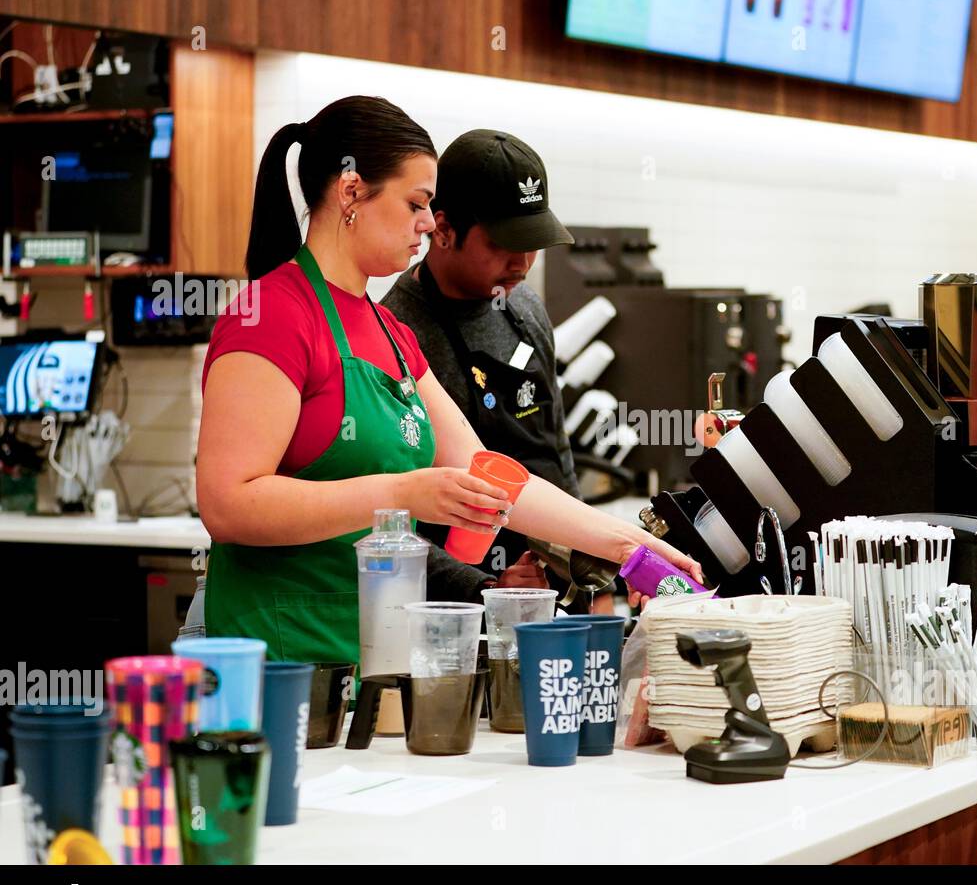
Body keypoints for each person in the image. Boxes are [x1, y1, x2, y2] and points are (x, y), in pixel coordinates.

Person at [196, 96, 698, 664]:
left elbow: (494, 480)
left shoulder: (390, 333)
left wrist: (635, 547)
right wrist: (403, 494)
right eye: (416, 203)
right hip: (283, 659)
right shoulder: (271, 315)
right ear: (351, 190)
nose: (428, 223)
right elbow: (228, 504)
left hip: (380, 659)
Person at [382, 129, 591, 604]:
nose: (521, 262)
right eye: (504, 243)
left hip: (551, 590)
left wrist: (587, 569)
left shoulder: (528, 309)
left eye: (533, 242)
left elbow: (556, 452)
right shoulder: (396, 332)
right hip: (449, 613)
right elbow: (388, 517)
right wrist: (484, 588)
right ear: (443, 229)